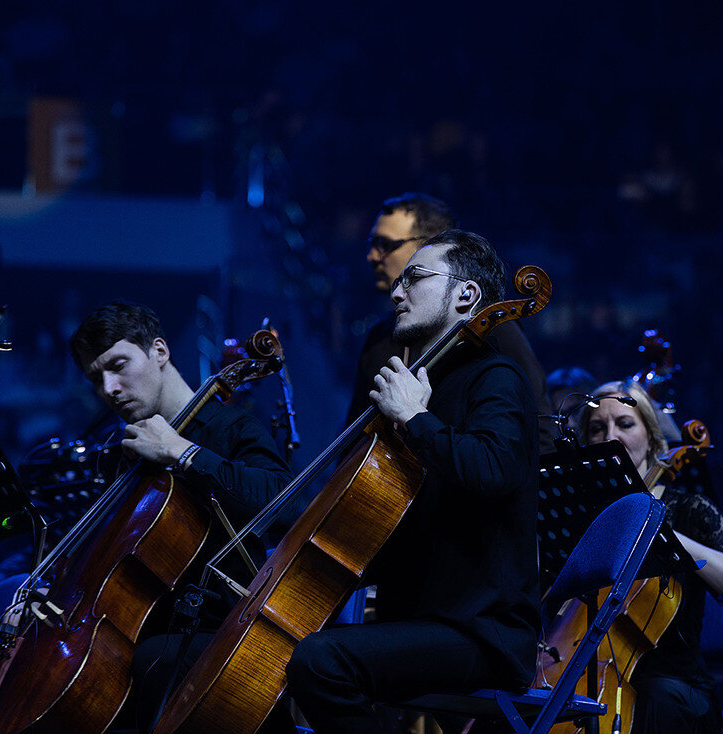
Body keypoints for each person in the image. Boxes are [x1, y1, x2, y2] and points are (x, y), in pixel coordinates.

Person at [285, 229, 540, 733]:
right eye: (398, 282)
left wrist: (414, 418)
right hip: (421, 620)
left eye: (415, 278)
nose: (397, 293)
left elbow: (492, 470)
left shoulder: (496, 376)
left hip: (480, 632)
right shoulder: (424, 385)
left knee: (321, 662)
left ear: (466, 295)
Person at [66, 301, 294, 732]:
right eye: (96, 378)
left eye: (118, 365)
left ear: (159, 351)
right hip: (141, 628)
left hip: (220, 627)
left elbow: (285, 502)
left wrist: (182, 453)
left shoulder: (229, 429)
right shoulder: (125, 456)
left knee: (155, 660)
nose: (109, 388)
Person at [580, 379, 723, 734]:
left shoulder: (690, 510)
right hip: (594, 678)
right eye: (597, 428)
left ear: (652, 437)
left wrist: (666, 533)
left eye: (625, 423)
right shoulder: (579, 515)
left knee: (655, 698)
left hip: (675, 690)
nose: (609, 436)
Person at [346, 193, 553, 452]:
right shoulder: (380, 335)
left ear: (429, 246)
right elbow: (353, 440)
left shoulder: (491, 328)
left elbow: (538, 428)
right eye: (372, 243)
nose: (372, 256)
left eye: (385, 244)